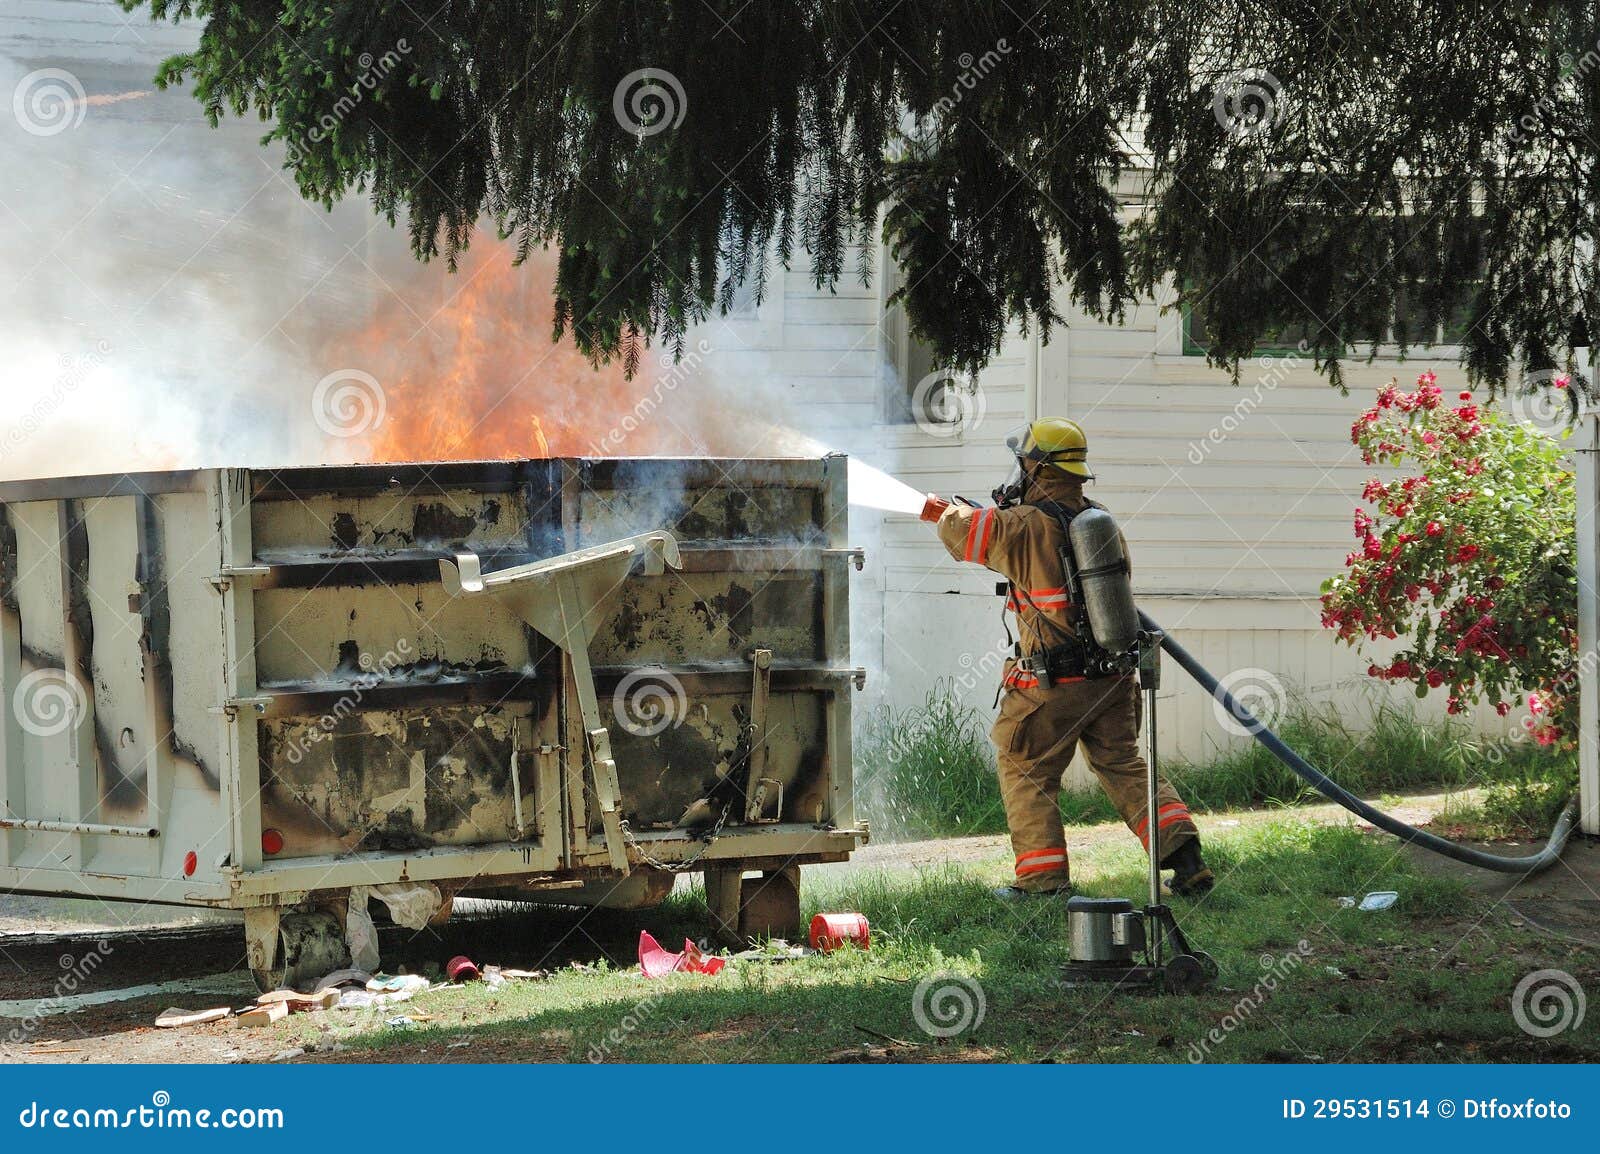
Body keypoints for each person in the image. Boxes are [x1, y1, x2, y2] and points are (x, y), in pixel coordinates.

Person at [924, 417, 1214, 901]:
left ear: (1039, 469)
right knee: (1123, 764)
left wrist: (940, 510)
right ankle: (1187, 861)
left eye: (1023, 463)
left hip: (1053, 687)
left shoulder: (1021, 526)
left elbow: (962, 533)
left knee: (1026, 767)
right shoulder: (1100, 520)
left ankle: (1043, 883)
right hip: (1112, 679)